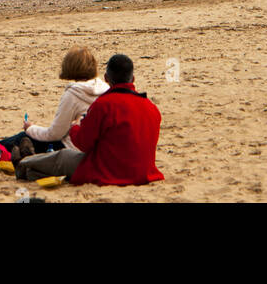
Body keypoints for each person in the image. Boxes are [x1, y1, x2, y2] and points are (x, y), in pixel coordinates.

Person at [15, 53, 163, 186]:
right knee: (41, 170)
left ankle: (23, 162)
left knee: (62, 157)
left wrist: (75, 127)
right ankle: (31, 168)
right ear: (133, 78)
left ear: (106, 78)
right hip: (143, 172)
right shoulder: (151, 108)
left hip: (107, 170)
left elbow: (83, 144)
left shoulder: (104, 105)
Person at [1, 46, 108, 164]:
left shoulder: (73, 94)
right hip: (97, 149)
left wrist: (30, 128)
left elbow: (55, 134)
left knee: (21, 137)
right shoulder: (106, 89)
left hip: (72, 148)